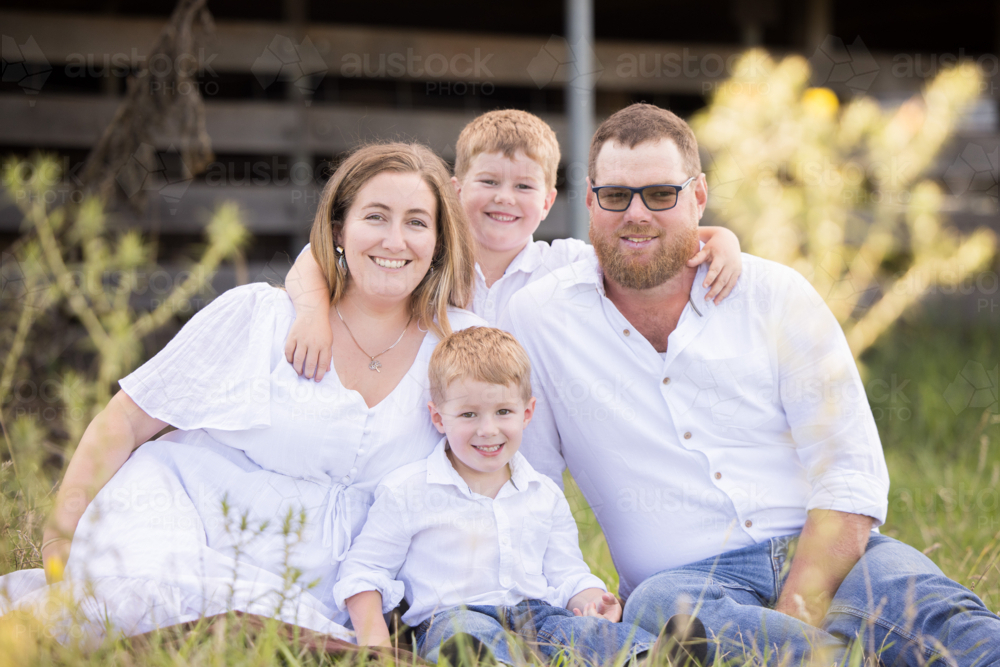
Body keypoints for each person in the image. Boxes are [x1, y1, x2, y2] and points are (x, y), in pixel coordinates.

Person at [500, 103, 1000, 666]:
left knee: (949, 623)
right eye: (617, 196)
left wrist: (798, 609)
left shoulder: (774, 294)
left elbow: (849, 470)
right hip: (683, 583)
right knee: (667, 609)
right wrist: (574, 585)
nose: (635, 214)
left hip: (829, 554)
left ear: (698, 196)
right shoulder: (539, 317)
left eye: (661, 194)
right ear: (589, 200)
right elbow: (531, 484)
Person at [0, 142, 484, 641]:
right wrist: (60, 535)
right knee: (140, 625)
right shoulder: (262, 317)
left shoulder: (461, 348)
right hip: (185, 530)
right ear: (339, 230)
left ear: (439, 242)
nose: (395, 240)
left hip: (339, 593)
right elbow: (126, 419)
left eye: (417, 222)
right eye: (376, 216)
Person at [282, 110, 744, 382]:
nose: (505, 198)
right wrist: (310, 315)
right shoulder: (425, 253)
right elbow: (316, 257)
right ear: (455, 189)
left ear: (546, 203)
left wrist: (720, 237)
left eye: (524, 187)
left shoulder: (561, 264)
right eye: (488, 181)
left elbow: (639, 244)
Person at [332, 327, 675, 666]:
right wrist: (376, 647)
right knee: (466, 636)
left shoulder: (543, 494)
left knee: (586, 634)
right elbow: (364, 571)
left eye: (503, 412)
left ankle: (653, 658)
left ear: (527, 413)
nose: (488, 429)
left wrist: (592, 600)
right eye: (468, 414)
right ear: (438, 417)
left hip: (538, 616)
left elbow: (566, 572)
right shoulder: (408, 491)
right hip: (454, 616)